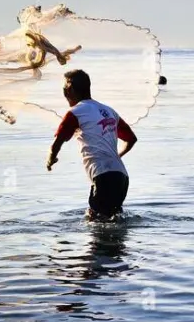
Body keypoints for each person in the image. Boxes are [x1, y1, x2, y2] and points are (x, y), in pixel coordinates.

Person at [46, 69, 137, 220]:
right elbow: (131, 139)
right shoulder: (108, 111)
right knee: (113, 222)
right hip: (121, 176)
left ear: (70, 89)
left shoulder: (75, 112)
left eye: (64, 89)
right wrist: (116, 156)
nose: (64, 94)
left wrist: (50, 159)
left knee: (96, 222)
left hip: (102, 177)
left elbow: (57, 142)